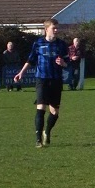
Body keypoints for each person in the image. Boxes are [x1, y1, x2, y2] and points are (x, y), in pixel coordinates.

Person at [14, 19, 69, 147]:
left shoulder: (61, 44)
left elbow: (68, 63)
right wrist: (21, 73)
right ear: (46, 29)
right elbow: (30, 59)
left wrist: (64, 63)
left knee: (54, 112)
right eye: (53, 28)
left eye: (57, 28)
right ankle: (38, 139)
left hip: (56, 79)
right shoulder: (38, 43)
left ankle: (47, 132)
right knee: (41, 108)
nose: (56, 30)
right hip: (42, 79)